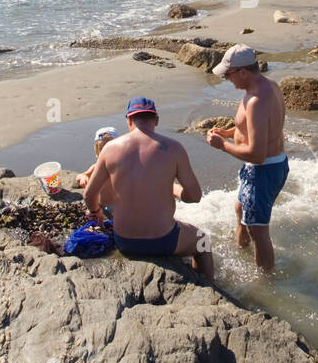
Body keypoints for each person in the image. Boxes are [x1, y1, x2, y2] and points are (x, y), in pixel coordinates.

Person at [82, 97, 213, 281]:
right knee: (203, 242)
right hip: (163, 240)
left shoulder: (110, 149)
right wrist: (172, 189)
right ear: (156, 120)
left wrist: (96, 212)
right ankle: (208, 287)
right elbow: (194, 196)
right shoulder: (174, 148)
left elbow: (89, 194)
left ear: (129, 120)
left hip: (124, 241)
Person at [207, 45, 288, 273]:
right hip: (272, 165)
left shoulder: (256, 101)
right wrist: (229, 133)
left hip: (263, 170)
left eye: (227, 74)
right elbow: (258, 127)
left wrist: (222, 145)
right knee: (240, 208)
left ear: (242, 72)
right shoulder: (267, 86)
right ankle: (240, 248)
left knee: (258, 231)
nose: (226, 79)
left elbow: (257, 154)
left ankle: (265, 282)